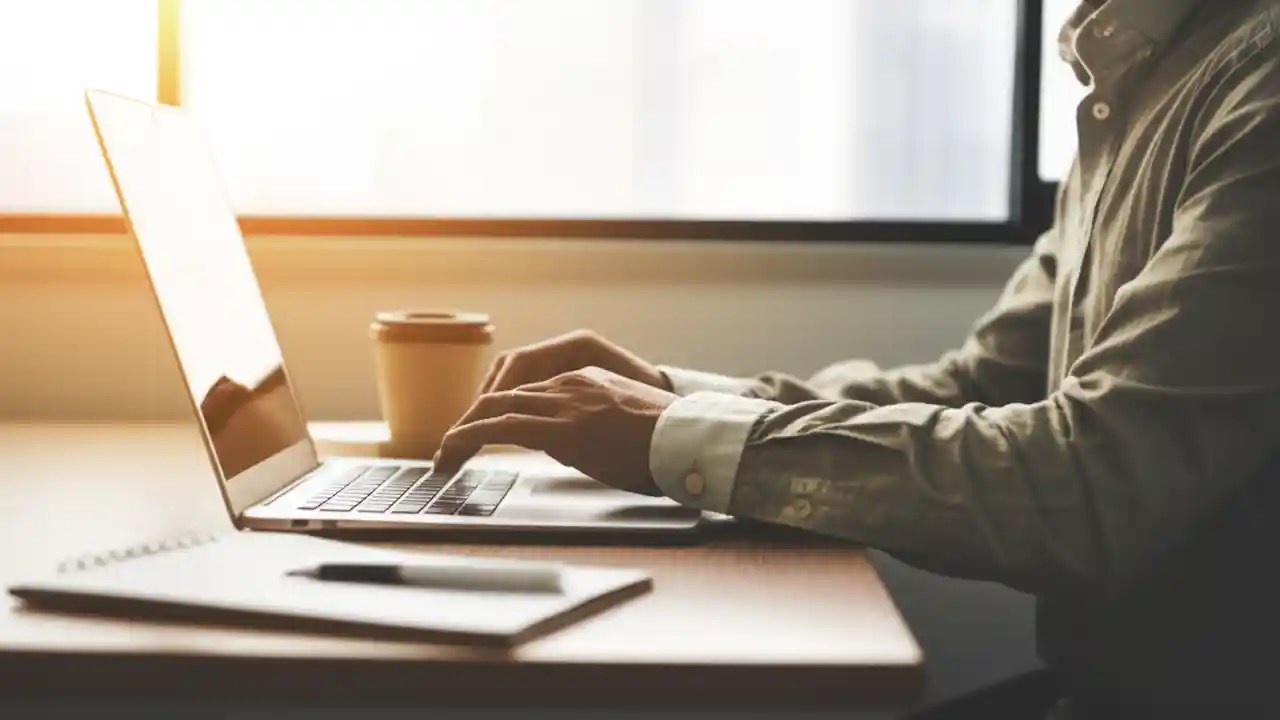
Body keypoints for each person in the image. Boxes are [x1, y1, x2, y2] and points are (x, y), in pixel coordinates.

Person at [435, 0, 1280, 714]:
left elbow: (1089, 481)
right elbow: (979, 386)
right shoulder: (1140, 72)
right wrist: (668, 394)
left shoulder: (1259, 82)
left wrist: (673, 436)